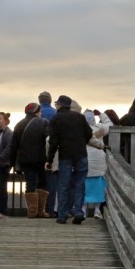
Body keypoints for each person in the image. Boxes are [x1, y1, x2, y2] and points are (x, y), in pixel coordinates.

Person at [46, 95, 93, 224]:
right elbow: (89, 133)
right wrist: (81, 143)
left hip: (65, 156)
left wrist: (49, 160)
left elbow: (53, 142)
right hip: (81, 154)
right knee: (79, 183)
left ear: (59, 105)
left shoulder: (56, 119)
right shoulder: (80, 117)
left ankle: (62, 215)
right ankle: (78, 211)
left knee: (64, 185)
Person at [12, 103, 49, 218]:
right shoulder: (43, 123)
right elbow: (49, 140)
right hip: (41, 158)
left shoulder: (19, 124)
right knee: (42, 182)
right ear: (37, 112)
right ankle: (40, 211)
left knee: (30, 183)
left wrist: (14, 163)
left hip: (25, 159)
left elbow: (13, 145)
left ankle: (32, 211)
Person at [84, 109, 112, 218]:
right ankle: (97, 210)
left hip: (84, 159)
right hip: (98, 160)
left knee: (83, 187)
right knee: (99, 187)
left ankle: (83, 210)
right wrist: (101, 114)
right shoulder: (100, 128)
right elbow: (110, 124)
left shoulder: (80, 129)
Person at [0, 112, 14, 216]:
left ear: (5, 121)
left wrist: (1, 158)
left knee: (1, 187)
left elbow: (9, 147)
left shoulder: (8, 133)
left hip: (2, 164)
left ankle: (2, 210)